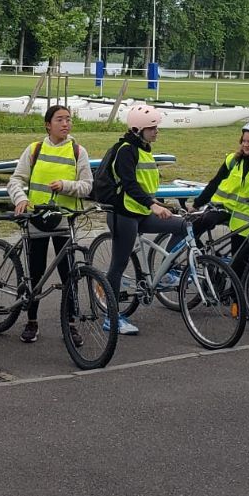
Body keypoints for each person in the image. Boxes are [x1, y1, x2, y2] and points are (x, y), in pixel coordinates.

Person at [6, 104, 92, 343]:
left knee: (69, 274)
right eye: (60, 120)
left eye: (68, 119)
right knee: (35, 273)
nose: (66, 124)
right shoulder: (34, 149)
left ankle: (72, 324)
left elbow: (87, 186)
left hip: (64, 220)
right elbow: (15, 180)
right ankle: (31, 321)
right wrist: (21, 199)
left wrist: (67, 185)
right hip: (37, 220)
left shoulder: (78, 152)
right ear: (48, 124)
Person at [100, 104, 184, 335]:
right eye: (152, 128)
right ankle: (111, 318)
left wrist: (158, 205)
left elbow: (146, 184)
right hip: (123, 214)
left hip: (142, 212)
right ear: (138, 129)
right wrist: (153, 205)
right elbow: (129, 184)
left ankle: (168, 271)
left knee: (184, 226)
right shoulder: (126, 150)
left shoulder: (145, 149)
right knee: (118, 264)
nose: (156, 132)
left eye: (157, 127)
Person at [193, 119, 249, 278]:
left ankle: (235, 296)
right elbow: (215, 183)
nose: (245, 145)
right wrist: (196, 204)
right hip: (223, 208)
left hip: (246, 216)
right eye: (243, 141)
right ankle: (204, 259)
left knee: (239, 261)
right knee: (195, 226)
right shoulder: (233, 160)